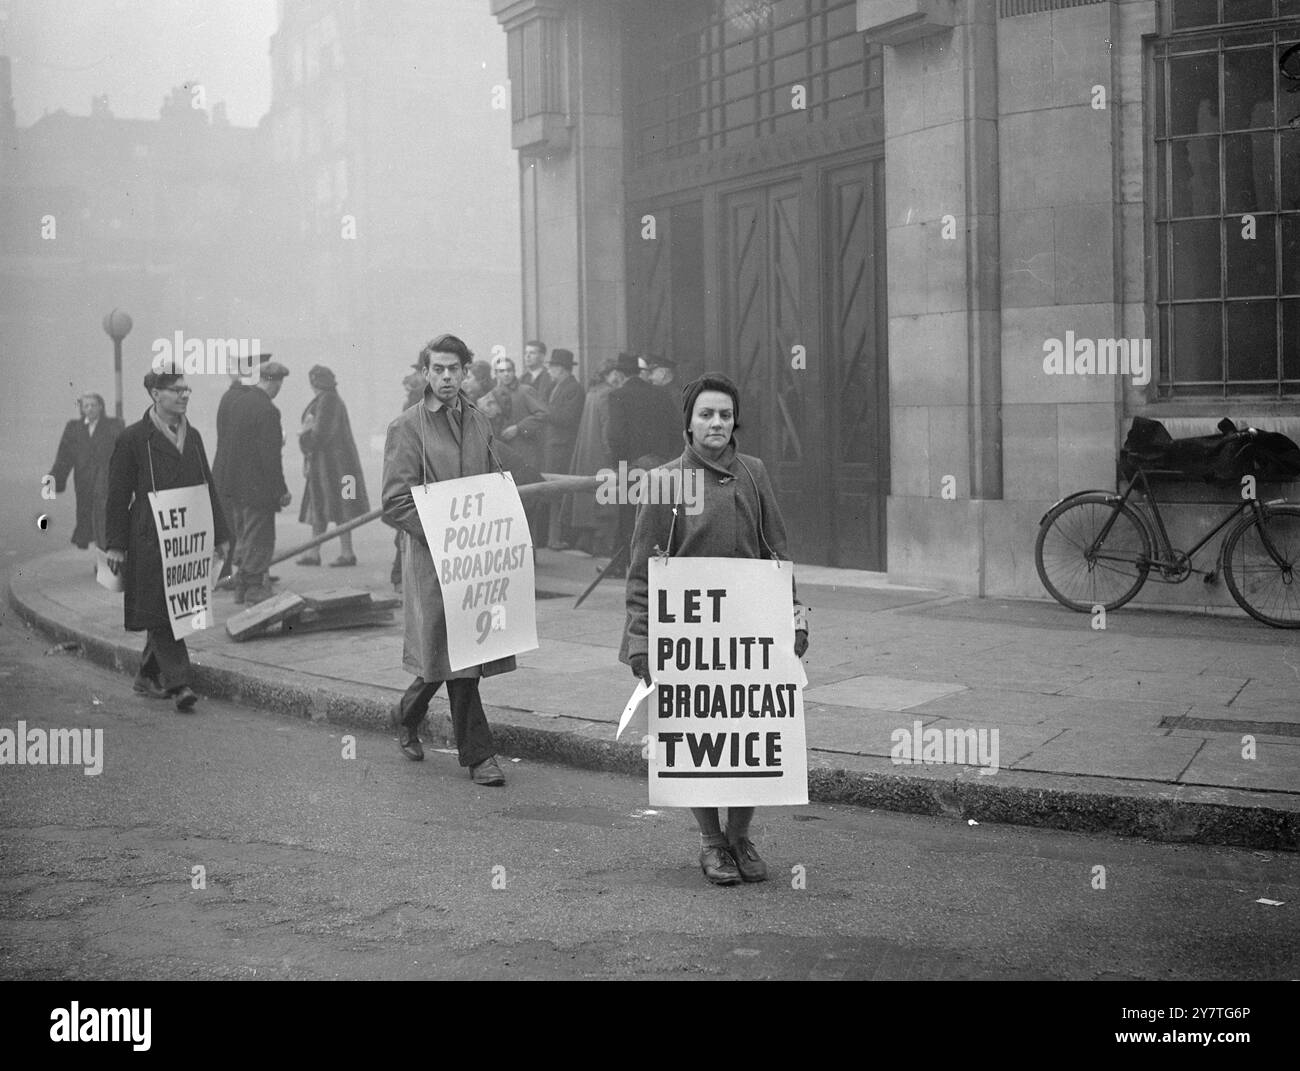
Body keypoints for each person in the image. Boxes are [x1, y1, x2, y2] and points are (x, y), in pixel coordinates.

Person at [620, 373, 809, 887]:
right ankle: (711, 841)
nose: (717, 423)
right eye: (706, 414)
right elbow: (642, 571)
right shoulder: (663, 482)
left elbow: (778, 554)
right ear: (688, 421)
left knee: (752, 734)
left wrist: (794, 618)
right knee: (696, 740)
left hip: (751, 638)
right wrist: (641, 641)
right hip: (689, 643)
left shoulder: (754, 473)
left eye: (725, 414)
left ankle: (741, 836)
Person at [382, 333, 513, 787]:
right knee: (456, 656)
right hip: (432, 560)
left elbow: (494, 480)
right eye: (436, 369)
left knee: (456, 654)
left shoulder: (479, 422)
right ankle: (479, 756)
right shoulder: (408, 427)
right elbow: (394, 503)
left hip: (474, 560)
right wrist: (443, 534)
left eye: (453, 369)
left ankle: (405, 713)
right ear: (425, 373)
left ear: (465, 373)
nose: (445, 377)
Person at [104, 369, 230, 712]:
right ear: (155, 394)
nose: (184, 395)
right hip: (149, 535)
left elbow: (209, 486)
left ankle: (147, 675)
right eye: (176, 390)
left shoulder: (195, 436)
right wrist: (115, 545)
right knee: (163, 607)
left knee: (169, 605)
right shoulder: (133, 439)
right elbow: (117, 495)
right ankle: (180, 684)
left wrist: (220, 535)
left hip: (186, 537)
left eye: (186, 389)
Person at [223, 361, 292, 604]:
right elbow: (270, 457)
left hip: (236, 487)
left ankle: (241, 588)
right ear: (272, 382)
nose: (278, 390)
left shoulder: (239, 403)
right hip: (258, 489)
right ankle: (254, 589)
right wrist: (280, 490)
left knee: (243, 536)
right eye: (279, 384)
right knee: (259, 539)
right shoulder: (268, 411)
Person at [606, 351, 680, 571]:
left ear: (620, 373)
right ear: (639, 372)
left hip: (631, 466)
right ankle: (658, 564)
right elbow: (676, 430)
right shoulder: (661, 394)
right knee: (659, 515)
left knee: (631, 515)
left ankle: (630, 565)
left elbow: (615, 435)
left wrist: (619, 464)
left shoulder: (617, 395)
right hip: (661, 464)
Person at [296, 364, 370, 567]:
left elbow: (319, 434)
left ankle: (338, 553)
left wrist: (304, 436)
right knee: (337, 508)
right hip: (341, 467)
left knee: (329, 508)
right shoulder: (331, 399)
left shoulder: (326, 401)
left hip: (330, 468)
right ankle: (329, 552)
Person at [47, 392, 124, 551]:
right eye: (85, 406)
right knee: (88, 519)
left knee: (104, 519)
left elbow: (122, 452)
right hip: (84, 482)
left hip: (105, 481)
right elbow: (64, 456)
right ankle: (101, 555)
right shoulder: (74, 428)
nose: (89, 409)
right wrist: (56, 479)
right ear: (81, 408)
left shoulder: (113, 426)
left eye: (93, 405)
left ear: (101, 407)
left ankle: (103, 561)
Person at [563, 359, 621, 557]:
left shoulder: (593, 392)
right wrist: (612, 454)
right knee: (605, 497)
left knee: (590, 497)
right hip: (600, 453)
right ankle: (601, 545)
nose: (618, 378)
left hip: (587, 450)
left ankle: (586, 540)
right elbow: (607, 427)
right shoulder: (608, 394)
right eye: (616, 373)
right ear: (608, 374)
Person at [491, 355, 550, 546]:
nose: (506, 374)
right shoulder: (492, 395)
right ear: (496, 374)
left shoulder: (525, 391)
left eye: (509, 370)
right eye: (501, 371)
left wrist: (519, 428)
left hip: (524, 452)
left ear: (514, 372)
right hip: (502, 456)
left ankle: (529, 549)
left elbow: (542, 414)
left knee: (527, 503)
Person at [211, 357, 255, 587]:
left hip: (226, 468)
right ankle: (231, 574)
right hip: (233, 471)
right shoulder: (240, 398)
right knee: (233, 523)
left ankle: (239, 571)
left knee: (233, 523)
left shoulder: (233, 396)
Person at [539, 348, 585, 548]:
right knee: (553, 493)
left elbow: (568, 418)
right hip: (552, 446)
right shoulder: (556, 386)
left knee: (558, 492)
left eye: (552, 367)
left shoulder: (573, 388)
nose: (549, 371)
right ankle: (552, 538)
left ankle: (556, 538)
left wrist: (543, 412)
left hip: (562, 447)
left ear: (561, 369)